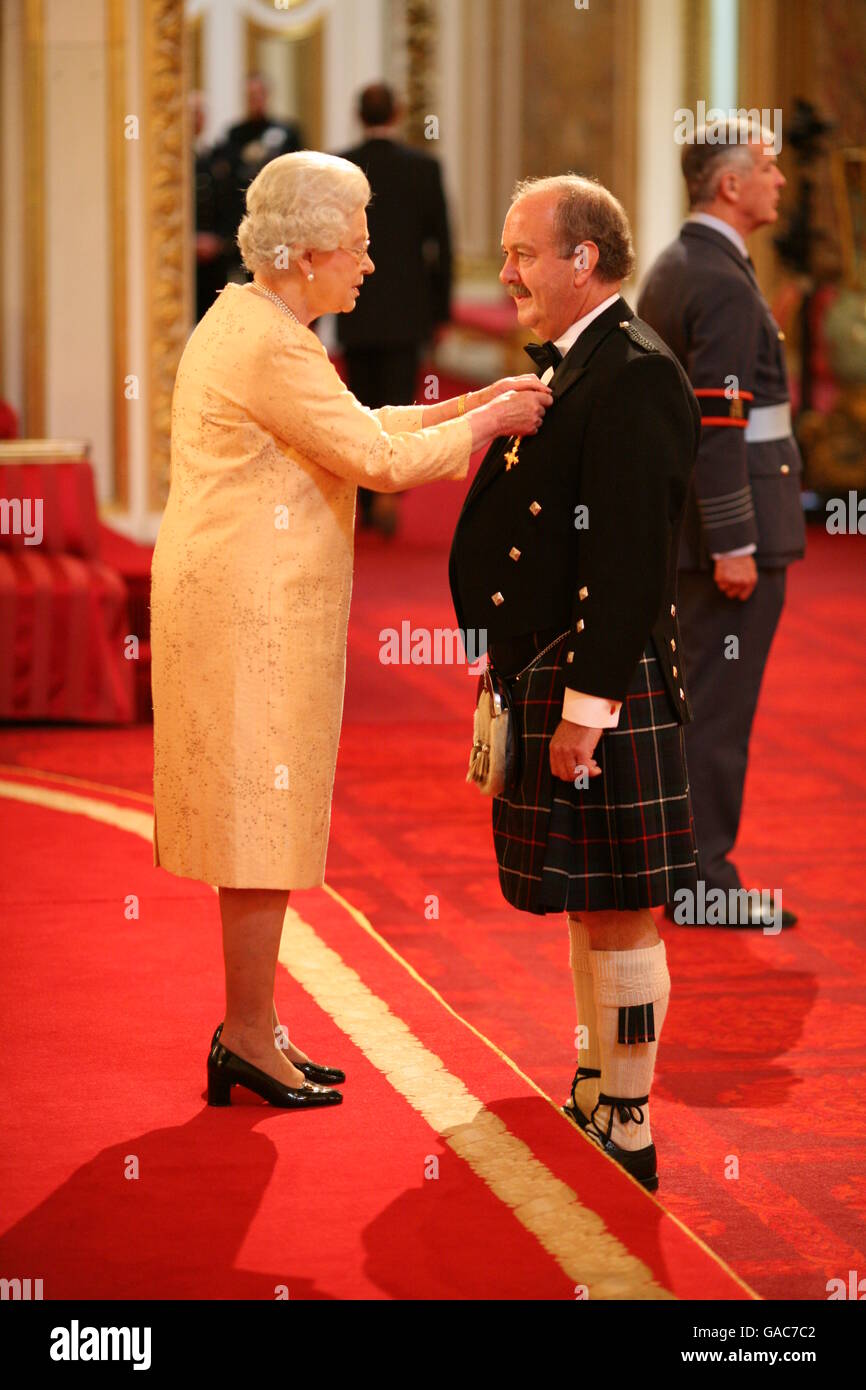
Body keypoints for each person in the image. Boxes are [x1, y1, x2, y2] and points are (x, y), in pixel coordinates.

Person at [150, 151, 552, 1113]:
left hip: (245, 603)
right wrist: (491, 424)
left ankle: (253, 1026)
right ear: (303, 252)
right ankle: (246, 1035)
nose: (371, 264)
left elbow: (359, 420)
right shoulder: (271, 343)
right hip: (246, 614)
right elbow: (374, 457)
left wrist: (476, 406)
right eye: (360, 246)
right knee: (256, 827)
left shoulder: (257, 321)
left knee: (262, 822)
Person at [449, 175, 701, 1190]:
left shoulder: (630, 371)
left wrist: (585, 710)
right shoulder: (581, 360)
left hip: (602, 677)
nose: (505, 271)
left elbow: (632, 562)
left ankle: (629, 1120)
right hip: (550, 667)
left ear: (580, 260)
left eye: (520, 252)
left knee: (622, 905)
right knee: (586, 899)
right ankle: (597, 1077)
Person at [638, 119, 805, 929]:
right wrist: (737, 541)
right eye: (767, 169)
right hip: (725, 541)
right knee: (716, 711)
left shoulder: (681, 264)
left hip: (690, 534)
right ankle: (703, 880)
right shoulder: (725, 282)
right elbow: (720, 422)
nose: (779, 182)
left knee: (694, 702)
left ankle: (683, 867)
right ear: (730, 186)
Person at [337, 82, 453, 536]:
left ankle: (366, 497)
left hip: (354, 303)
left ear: (357, 114)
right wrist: (441, 312)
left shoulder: (342, 168)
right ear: (399, 112)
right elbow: (440, 244)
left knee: (360, 401)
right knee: (400, 404)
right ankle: (388, 495)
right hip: (408, 310)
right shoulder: (423, 169)